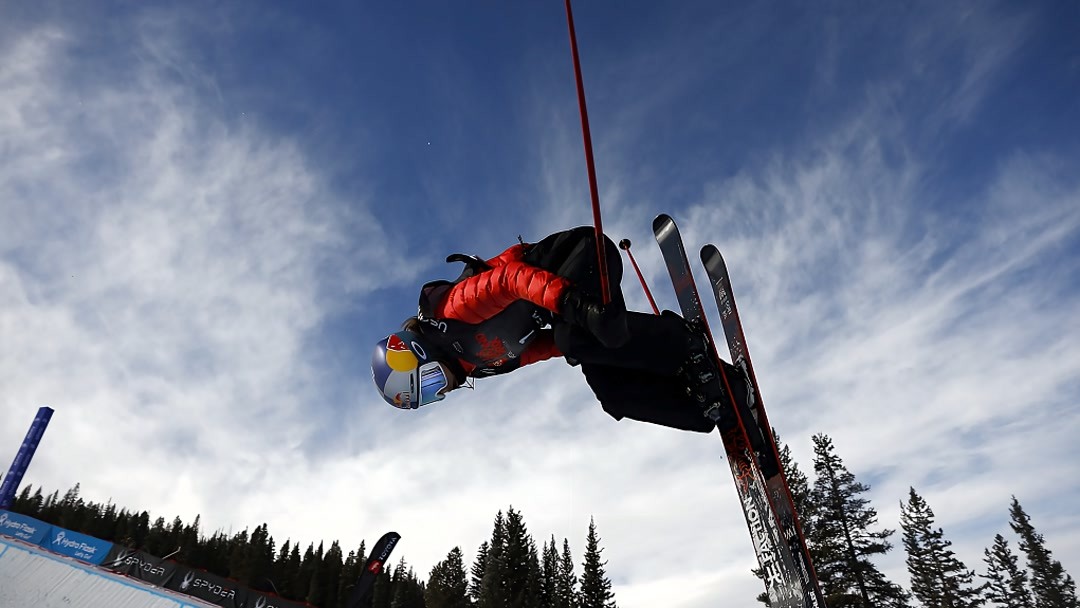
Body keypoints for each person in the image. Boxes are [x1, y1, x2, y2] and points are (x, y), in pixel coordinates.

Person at [370, 226, 752, 433]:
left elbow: (510, 280)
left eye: (431, 382)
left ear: (421, 352)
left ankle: (683, 342)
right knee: (611, 393)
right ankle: (703, 406)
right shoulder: (480, 366)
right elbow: (545, 345)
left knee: (578, 340)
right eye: (431, 397)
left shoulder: (452, 311)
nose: (443, 391)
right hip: (569, 311)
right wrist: (599, 347)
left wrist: (576, 307)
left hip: (582, 257)